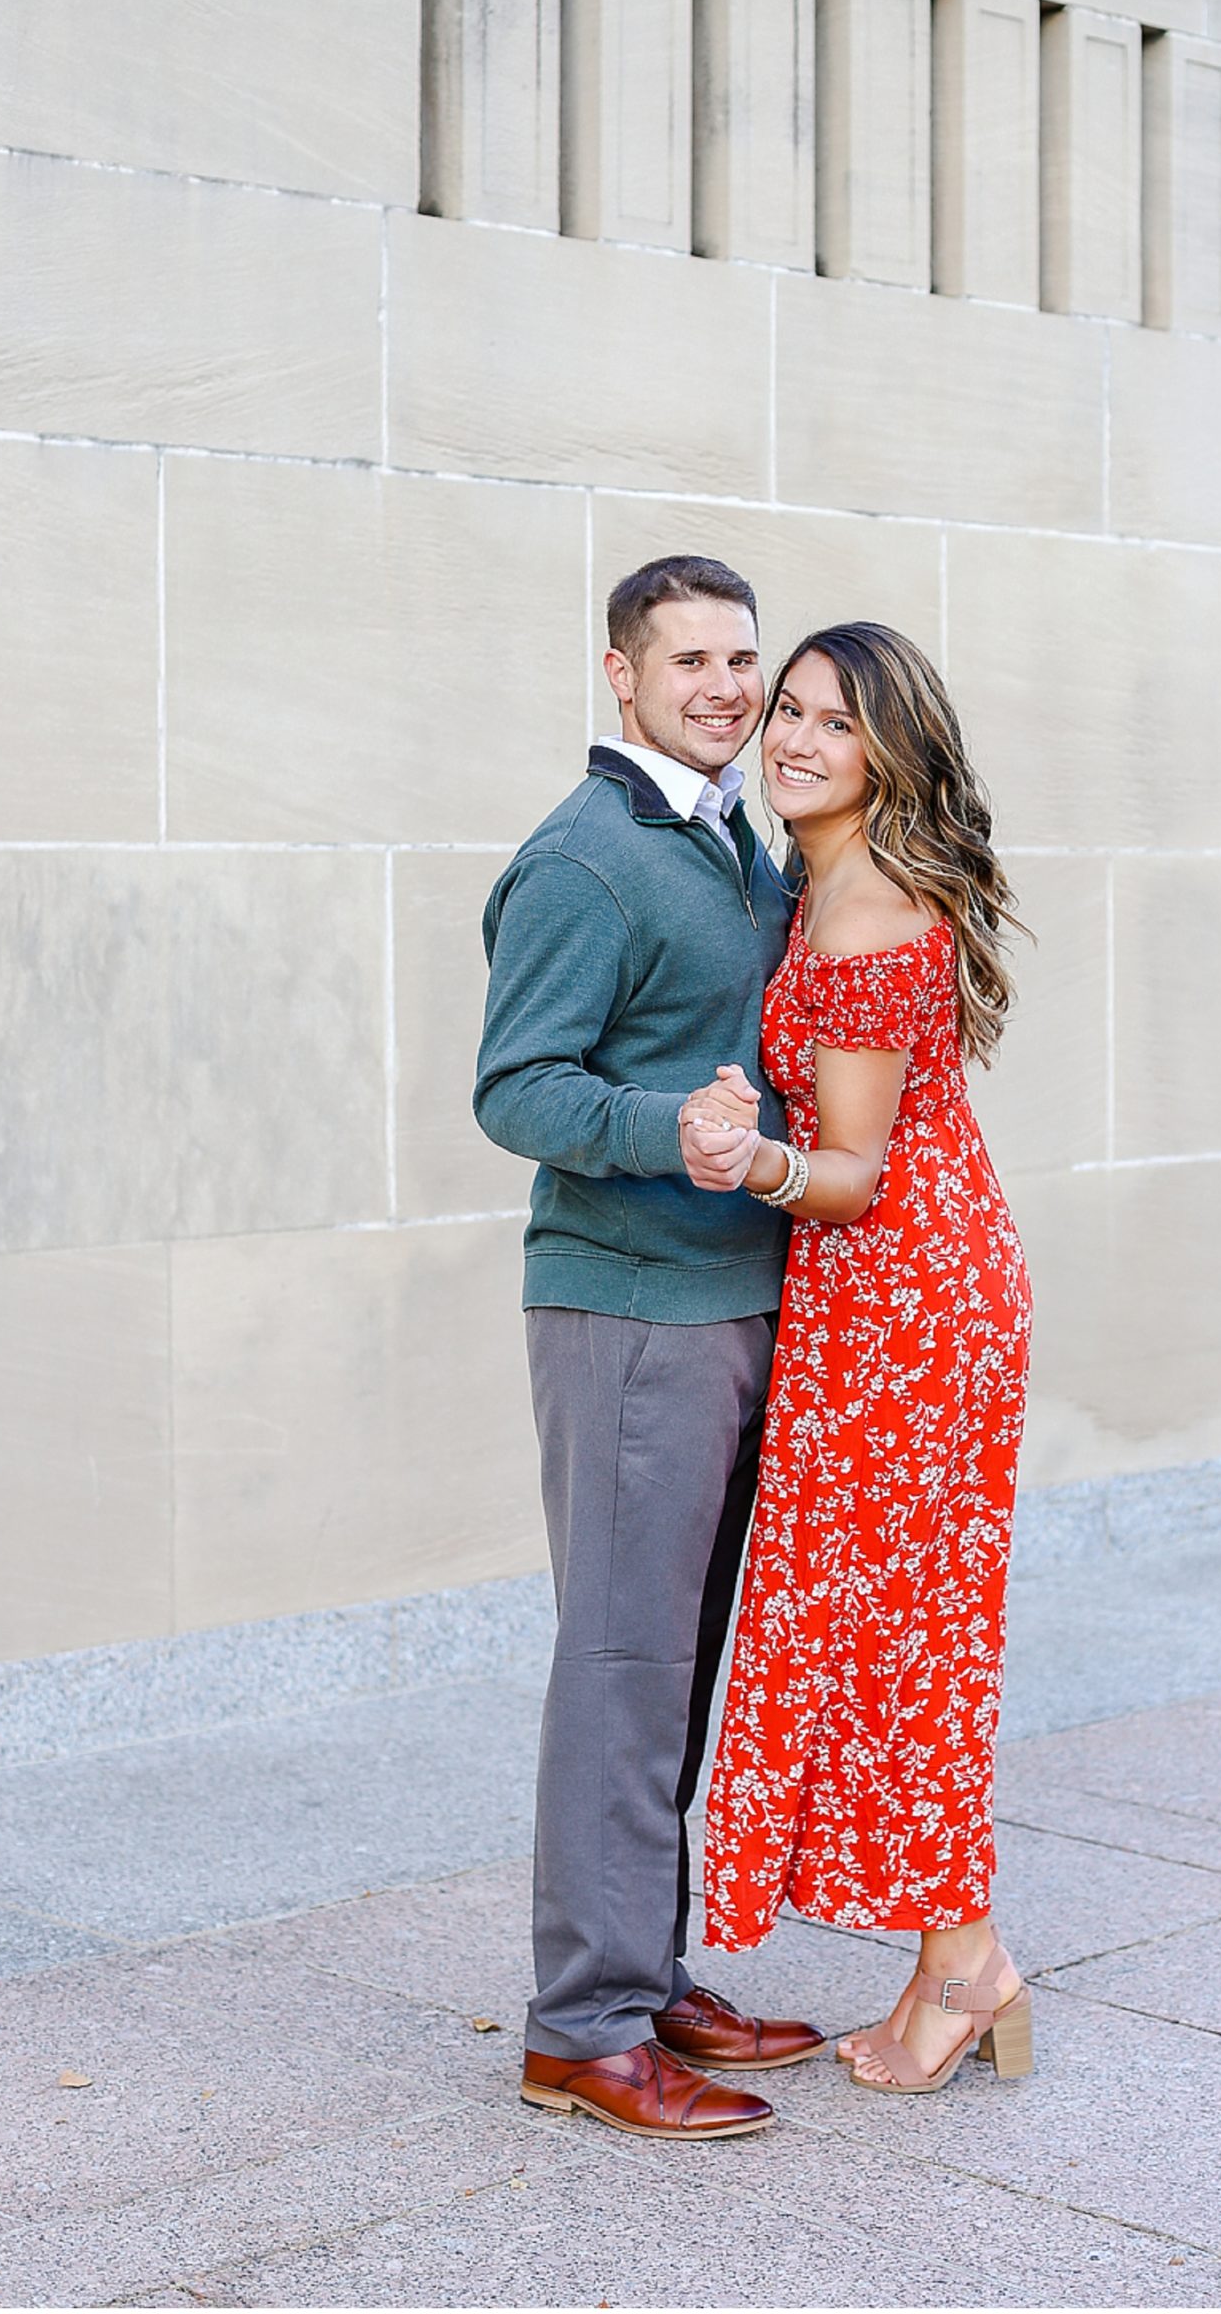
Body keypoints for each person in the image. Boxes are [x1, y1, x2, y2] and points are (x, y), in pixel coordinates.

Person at [473, 556, 824, 2143]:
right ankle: (583, 2028)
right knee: (621, 1667)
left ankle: (647, 1966)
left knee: (673, 1662)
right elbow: (516, 1088)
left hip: (738, 1302)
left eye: (740, 655)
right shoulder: (582, 861)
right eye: (687, 659)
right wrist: (661, 1132)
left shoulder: (737, 844)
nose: (724, 685)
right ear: (620, 677)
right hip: (626, 1310)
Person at [679, 621, 1035, 2097]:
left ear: (891, 749)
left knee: (900, 1647)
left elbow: (853, 1171)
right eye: (790, 714)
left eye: (836, 721)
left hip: (905, 1302)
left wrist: (742, 1156)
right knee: (901, 1640)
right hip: (888, 1301)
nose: (797, 741)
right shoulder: (823, 877)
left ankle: (963, 1968)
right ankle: (953, 1963)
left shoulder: (866, 904)